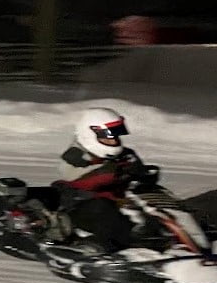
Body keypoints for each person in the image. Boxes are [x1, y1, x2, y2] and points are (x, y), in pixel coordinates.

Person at [56, 107, 151, 252]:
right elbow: (75, 178)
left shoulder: (125, 155)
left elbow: (139, 173)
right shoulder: (75, 156)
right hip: (83, 208)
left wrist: (144, 174)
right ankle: (108, 250)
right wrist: (114, 172)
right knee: (105, 209)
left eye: (115, 135)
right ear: (90, 134)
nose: (113, 140)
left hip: (123, 202)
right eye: (108, 136)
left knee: (159, 205)